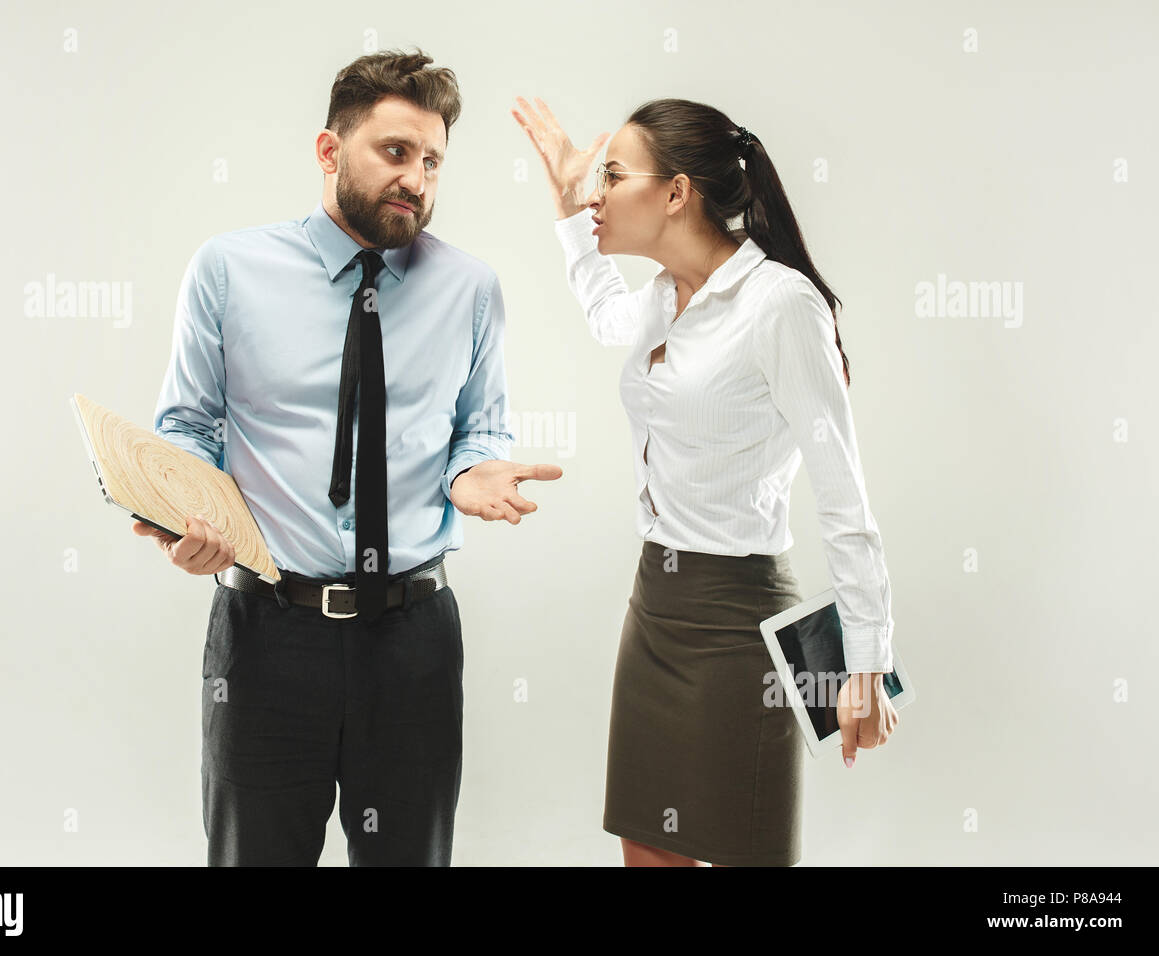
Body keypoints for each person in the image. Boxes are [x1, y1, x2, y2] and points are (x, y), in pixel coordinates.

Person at [133, 48, 562, 867]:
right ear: (330, 151)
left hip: (412, 643)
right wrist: (181, 516)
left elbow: (481, 429)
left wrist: (472, 472)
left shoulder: (471, 289)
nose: (418, 180)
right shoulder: (229, 270)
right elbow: (187, 425)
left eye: (433, 161)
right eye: (396, 153)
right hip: (265, 636)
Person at [512, 95, 899, 867]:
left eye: (612, 175)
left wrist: (868, 660)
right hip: (654, 608)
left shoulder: (780, 306)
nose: (596, 190)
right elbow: (604, 317)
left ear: (677, 193)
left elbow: (842, 495)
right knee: (647, 849)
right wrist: (565, 215)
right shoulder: (663, 297)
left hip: (738, 627)